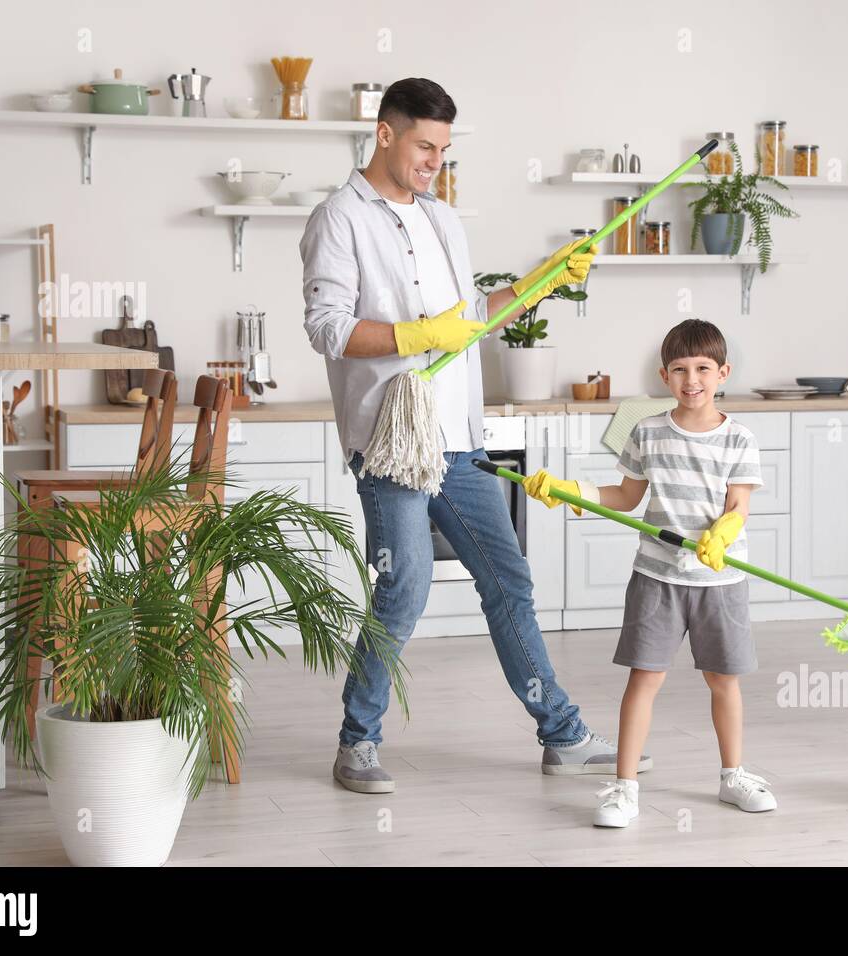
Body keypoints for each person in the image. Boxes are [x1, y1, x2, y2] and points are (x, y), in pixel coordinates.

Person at [301, 77, 648, 794]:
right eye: (424, 146)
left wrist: (541, 282)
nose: (435, 161)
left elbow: (473, 317)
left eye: (444, 149)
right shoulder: (339, 219)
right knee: (405, 591)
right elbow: (328, 329)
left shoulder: (442, 220)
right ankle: (356, 741)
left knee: (508, 579)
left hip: (459, 439)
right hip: (393, 441)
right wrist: (418, 334)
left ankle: (562, 734)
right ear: (386, 134)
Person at [523, 319, 775, 828]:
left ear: (723, 372)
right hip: (658, 578)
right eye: (680, 369)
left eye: (703, 368)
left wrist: (724, 532)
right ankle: (624, 788)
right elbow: (626, 498)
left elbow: (739, 505)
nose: (692, 379)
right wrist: (574, 492)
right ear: (665, 375)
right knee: (644, 680)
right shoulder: (648, 431)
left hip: (719, 583)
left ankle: (733, 776)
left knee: (724, 682)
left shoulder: (739, 439)